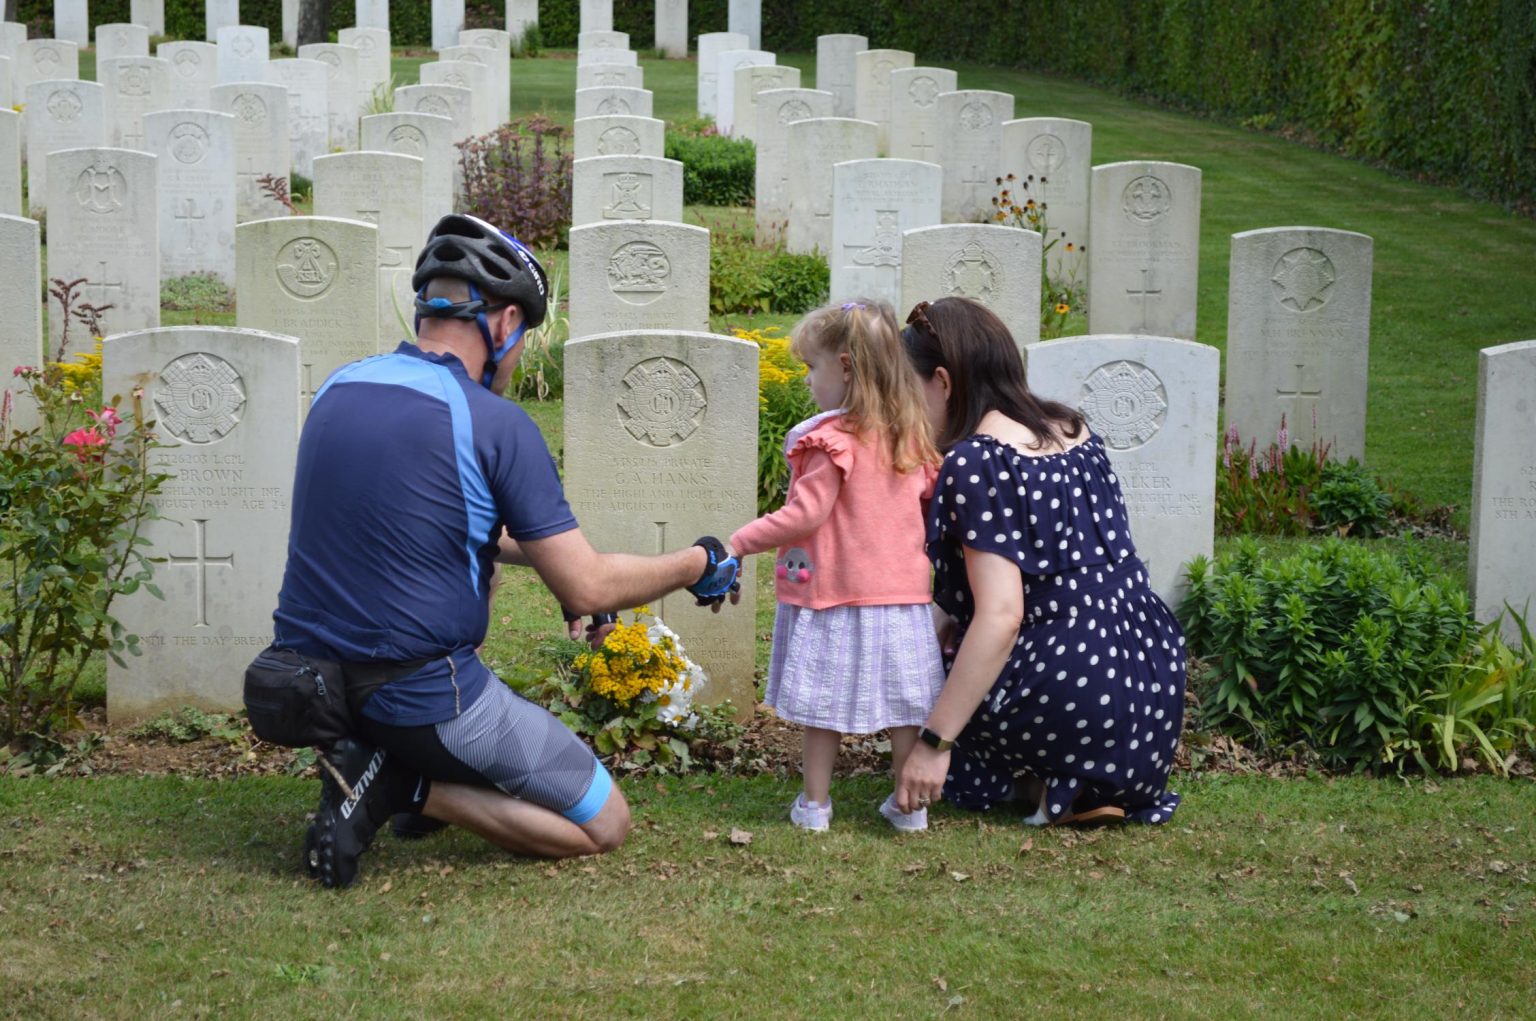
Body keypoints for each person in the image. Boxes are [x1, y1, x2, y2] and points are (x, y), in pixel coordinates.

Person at [269, 213, 741, 888]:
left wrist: (555, 561)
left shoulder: (340, 388)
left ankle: (378, 759)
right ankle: (402, 786)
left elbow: (431, 526)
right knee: (605, 823)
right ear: (505, 320)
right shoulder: (494, 421)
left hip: (308, 683)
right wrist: (700, 561)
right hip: (423, 695)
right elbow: (587, 589)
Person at [894, 297, 1185, 826]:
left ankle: (1046, 779)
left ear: (942, 381)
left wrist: (933, 743)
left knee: (944, 674)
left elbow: (1003, 617)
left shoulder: (978, 460)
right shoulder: (1072, 427)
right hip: (1148, 677)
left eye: (908, 390)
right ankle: (1083, 778)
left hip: (1070, 683)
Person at [726, 301, 945, 832]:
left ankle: (816, 806)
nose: (806, 379)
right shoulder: (911, 438)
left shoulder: (831, 443)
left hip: (835, 597)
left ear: (845, 366)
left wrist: (738, 542)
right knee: (904, 710)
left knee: (822, 711)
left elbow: (804, 514)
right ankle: (907, 810)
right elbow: (932, 506)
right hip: (902, 600)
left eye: (811, 367)